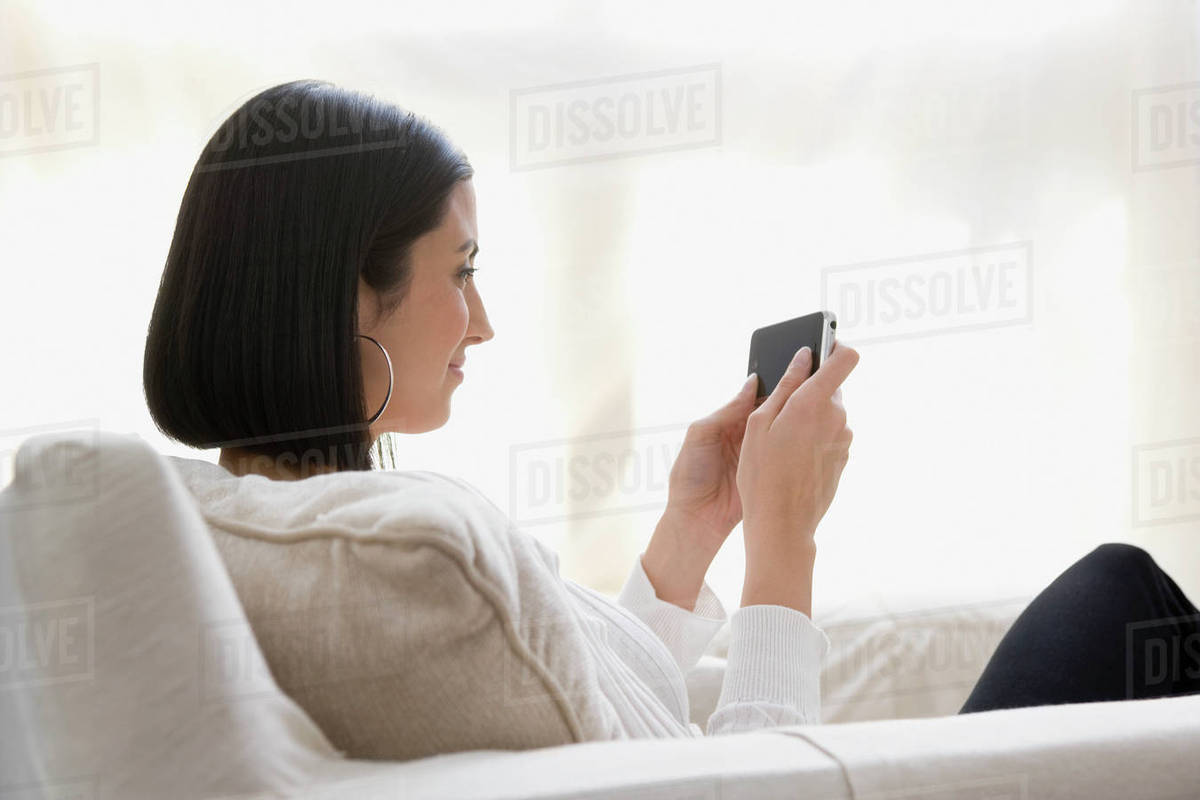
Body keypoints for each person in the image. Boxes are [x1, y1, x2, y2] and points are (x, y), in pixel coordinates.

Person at [144, 80, 1199, 760]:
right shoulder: (405, 550)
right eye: (460, 274)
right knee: (1122, 593)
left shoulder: (299, 535)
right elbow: (738, 785)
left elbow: (590, 729)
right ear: (347, 299)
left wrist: (689, 536)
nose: (485, 321)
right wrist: (786, 544)